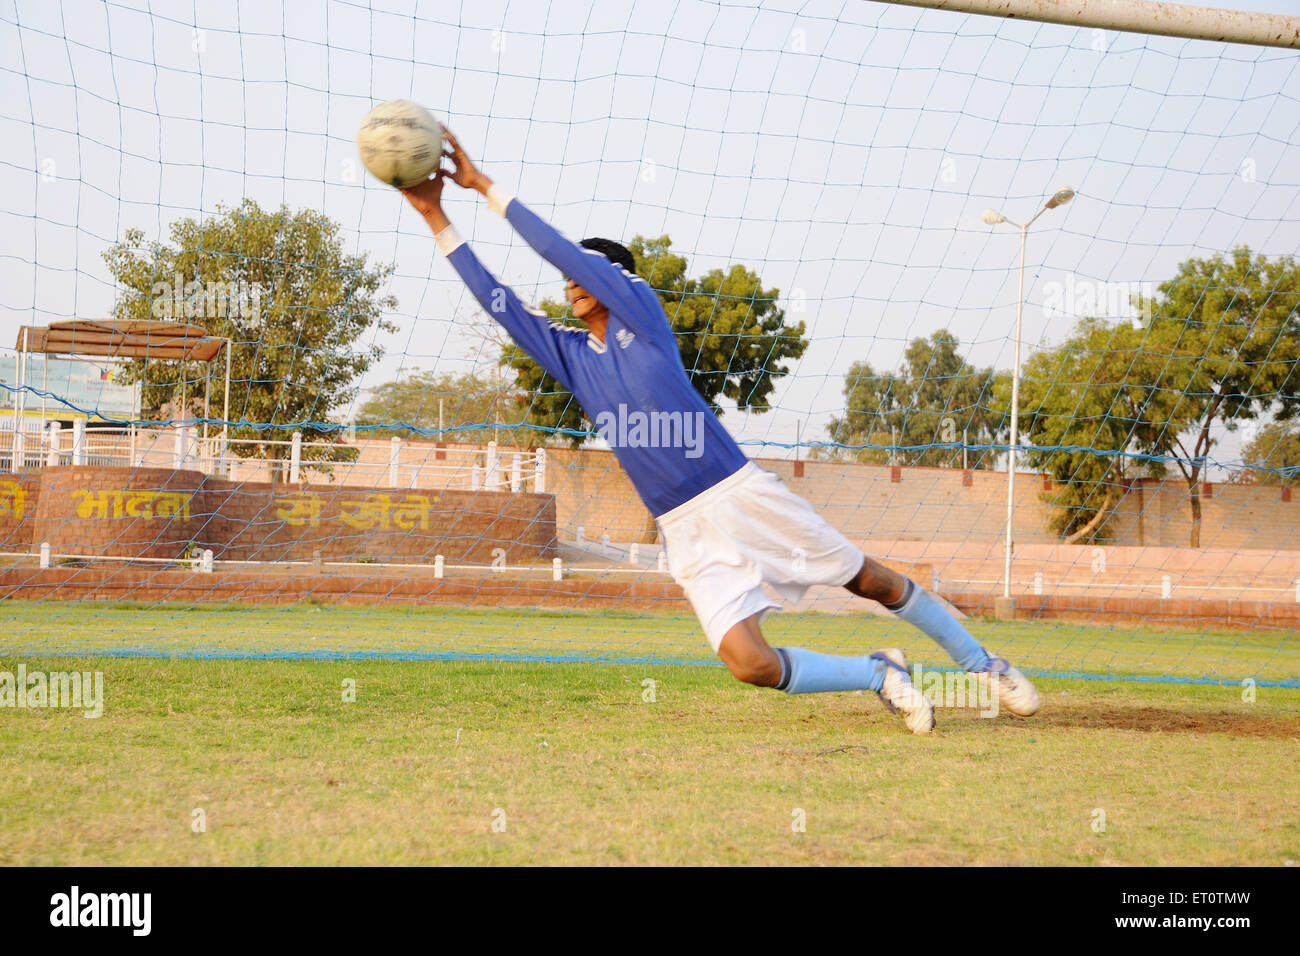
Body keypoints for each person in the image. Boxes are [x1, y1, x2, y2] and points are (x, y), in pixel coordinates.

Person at [399, 128, 1040, 734]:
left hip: (739, 493)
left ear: (616, 282)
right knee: (749, 664)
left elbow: (561, 249)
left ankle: (987, 666)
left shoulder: (640, 313)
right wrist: (435, 214)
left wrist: (484, 186)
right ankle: (878, 674)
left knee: (867, 580)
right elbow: (496, 298)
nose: (570, 280)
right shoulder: (569, 354)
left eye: (585, 272)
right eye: (568, 278)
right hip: (685, 527)